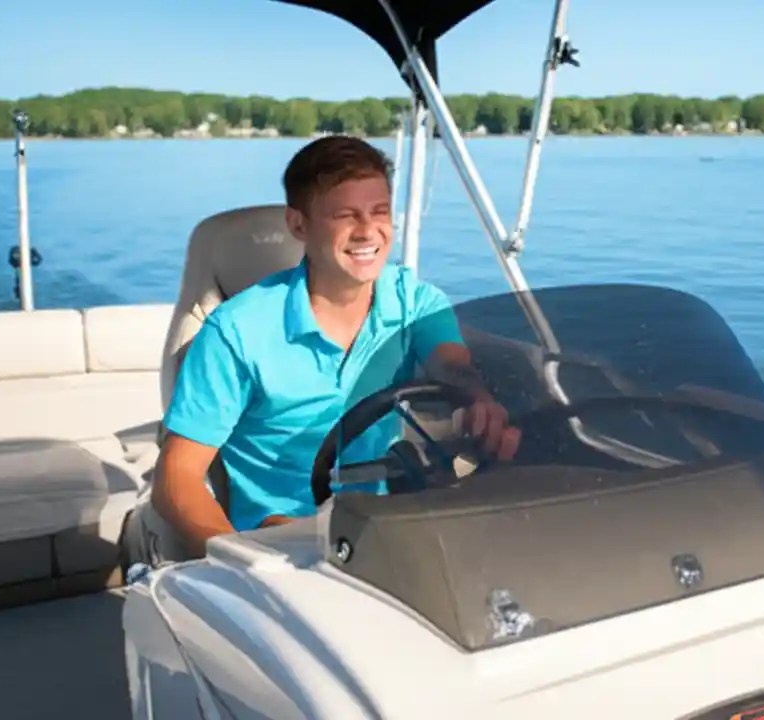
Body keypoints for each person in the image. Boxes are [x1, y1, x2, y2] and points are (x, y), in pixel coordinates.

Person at [121, 135, 518, 568]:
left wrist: (479, 401)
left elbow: (452, 367)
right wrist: (244, 563)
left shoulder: (416, 304)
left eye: (379, 211)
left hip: (384, 526)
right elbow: (177, 479)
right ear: (299, 226)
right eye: (345, 215)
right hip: (280, 539)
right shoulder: (237, 330)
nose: (368, 231)